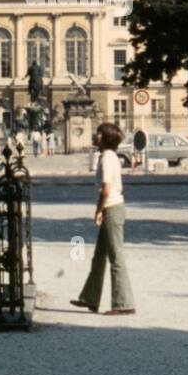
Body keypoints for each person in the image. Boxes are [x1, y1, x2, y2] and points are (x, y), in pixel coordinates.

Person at [72, 122, 135, 315]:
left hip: (111, 208)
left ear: (105, 138)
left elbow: (106, 190)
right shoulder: (108, 156)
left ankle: (123, 304)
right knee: (99, 257)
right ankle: (90, 298)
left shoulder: (107, 158)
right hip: (112, 208)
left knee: (116, 257)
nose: (95, 135)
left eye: (98, 133)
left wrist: (98, 211)